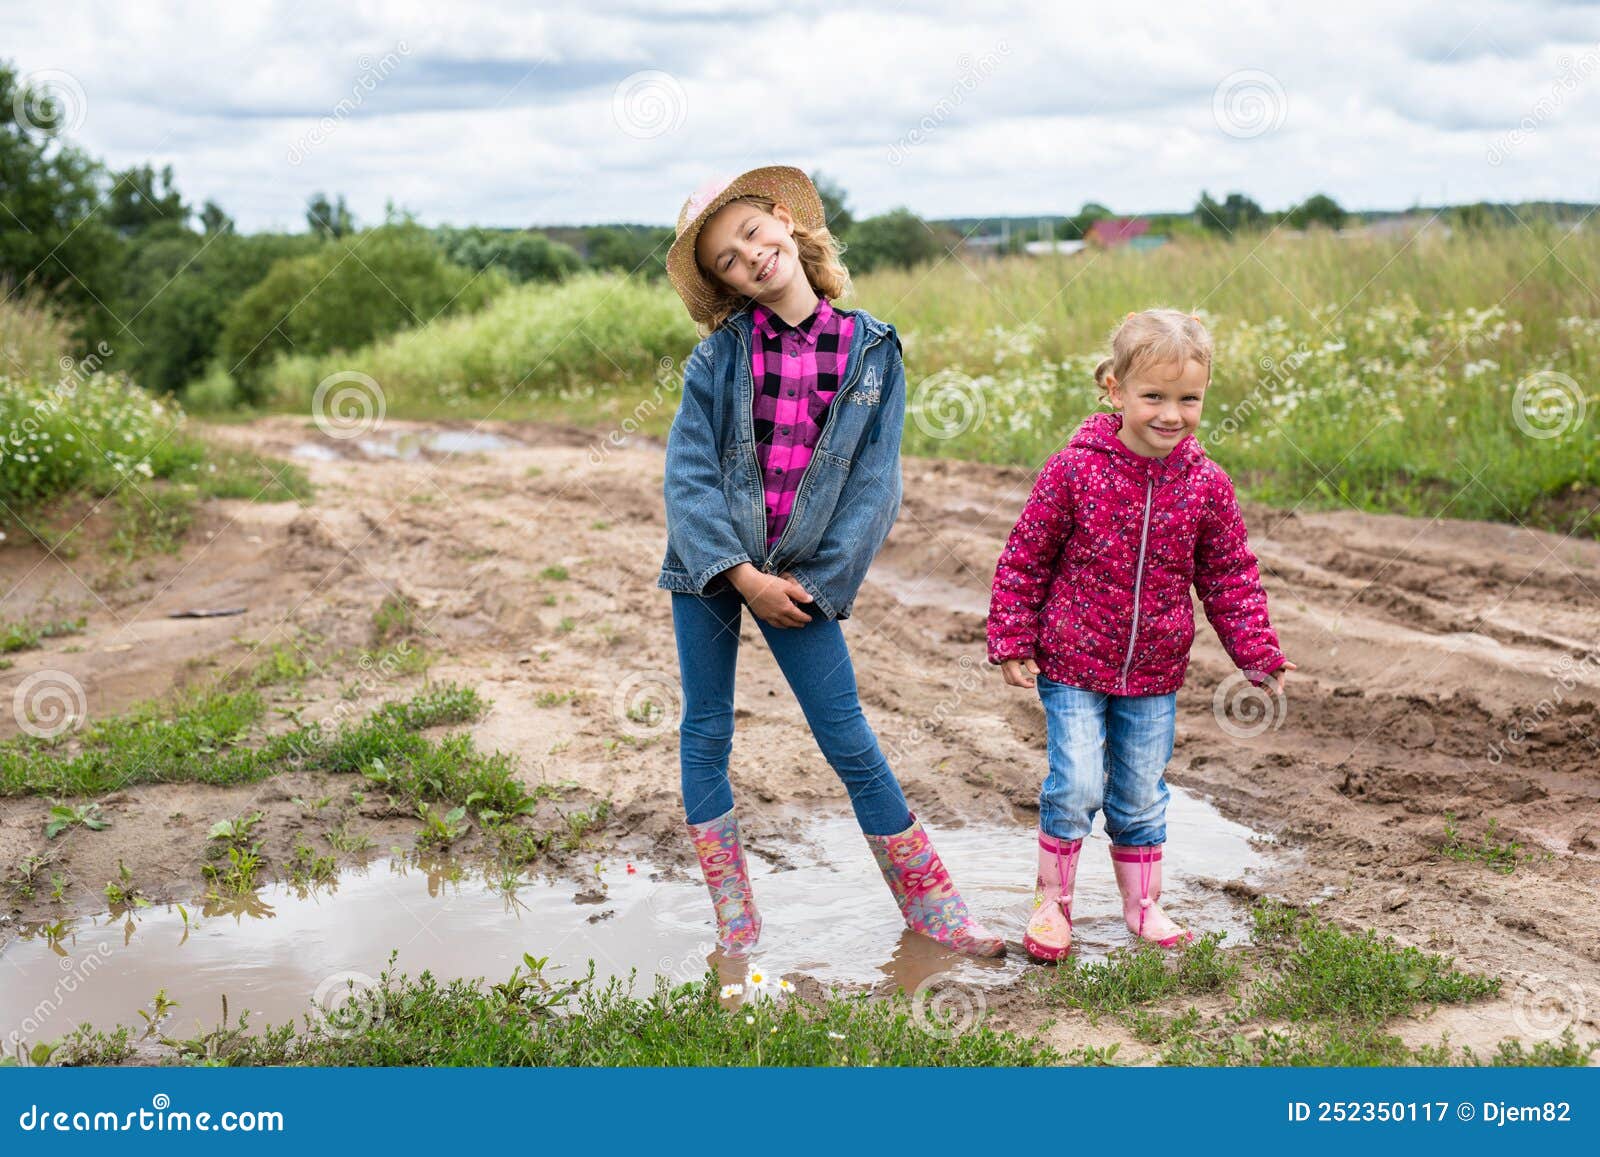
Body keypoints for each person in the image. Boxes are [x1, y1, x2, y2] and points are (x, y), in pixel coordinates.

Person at [658, 165, 1003, 959]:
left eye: (751, 234)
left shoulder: (872, 350)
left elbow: (876, 485)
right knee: (706, 730)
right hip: (711, 568)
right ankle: (735, 925)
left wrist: (813, 585)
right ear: (724, 284)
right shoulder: (716, 360)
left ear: (783, 219)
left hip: (802, 577)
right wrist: (739, 572)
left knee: (847, 736)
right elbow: (689, 475)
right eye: (728, 261)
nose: (750, 258)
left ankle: (933, 908)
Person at [987, 308, 1294, 961]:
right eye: (1154, 396)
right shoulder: (1075, 469)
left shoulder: (1206, 484)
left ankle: (1143, 903)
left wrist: (1257, 652)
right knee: (1075, 782)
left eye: (1189, 398)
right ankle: (1052, 905)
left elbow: (1230, 575)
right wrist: (1013, 635)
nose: (1171, 413)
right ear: (1115, 390)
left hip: (1154, 670)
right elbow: (1026, 555)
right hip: (1072, 658)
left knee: (1140, 790)